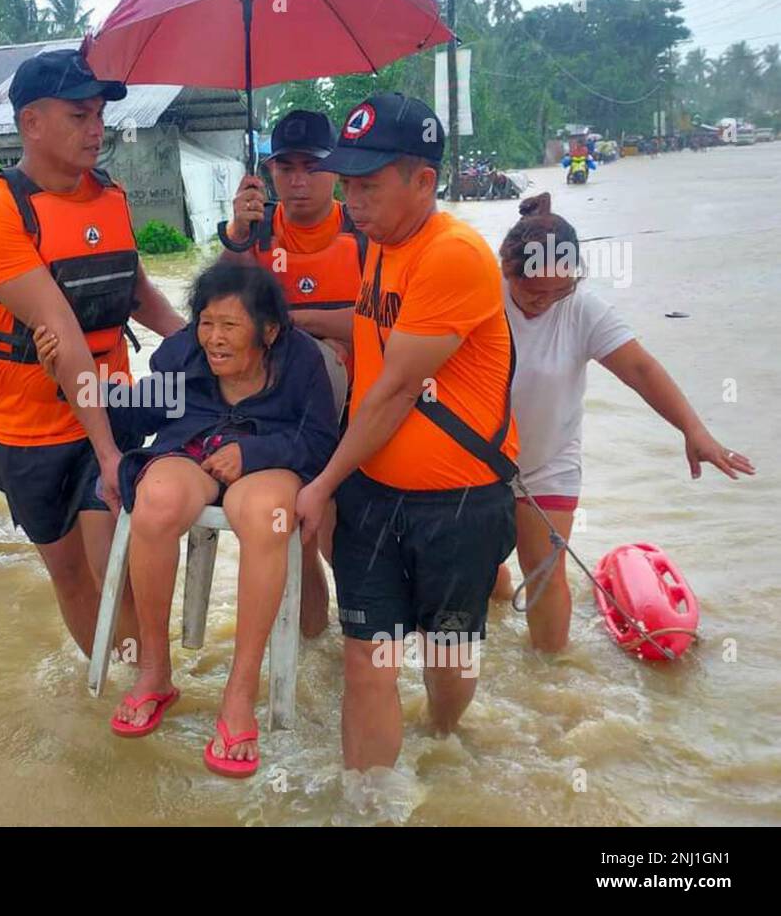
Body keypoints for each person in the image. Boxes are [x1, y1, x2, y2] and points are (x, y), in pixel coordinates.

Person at [34, 262, 338, 777]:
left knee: (266, 514)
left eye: (230, 326)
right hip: (192, 451)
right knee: (155, 499)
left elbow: (319, 441)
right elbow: (133, 415)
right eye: (206, 322)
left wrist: (255, 451)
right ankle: (155, 671)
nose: (214, 339)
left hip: (269, 463)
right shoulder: (184, 357)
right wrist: (64, 379)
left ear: (268, 331)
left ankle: (239, 696)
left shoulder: (302, 362)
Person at [296, 93, 518, 771]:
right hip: (373, 495)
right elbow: (368, 329)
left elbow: (394, 390)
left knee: (446, 660)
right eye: (348, 184)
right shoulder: (383, 248)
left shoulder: (453, 255)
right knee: (369, 660)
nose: (352, 201)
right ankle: (366, 809)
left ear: (423, 180)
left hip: (457, 507)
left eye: (369, 185)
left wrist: (322, 483)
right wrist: (279, 317)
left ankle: (443, 744)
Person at [0, 49, 186, 656]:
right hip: (28, 430)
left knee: (117, 561)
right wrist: (108, 450)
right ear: (31, 123)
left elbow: (139, 295)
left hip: (108, 413)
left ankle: (148, 683)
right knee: (69, 574)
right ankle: (106, 686)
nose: (97, 129)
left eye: (100, 115)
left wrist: (206, 347)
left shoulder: (110, 197)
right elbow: (56, 327)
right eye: (79, 115)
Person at [490, 193, 755, 651]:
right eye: (533, 292)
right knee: (477, 571)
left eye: (561, 291)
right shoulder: (479, 295)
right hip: (479, 463)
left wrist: (694, 430)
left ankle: (550, 678)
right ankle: (493, 601)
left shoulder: (583, 310)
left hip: (549, 463)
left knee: (546, 574)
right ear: (507, 271)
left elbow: (641, 369)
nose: (546, 302)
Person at [222, 109, 364, 639]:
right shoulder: (255, 235)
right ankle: (314, 650)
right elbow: (220, 317)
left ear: (337, 169)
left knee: (344, 539)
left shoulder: (365, 229)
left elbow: (391, 319)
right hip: (280, 415)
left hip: (359, 411)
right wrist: (237, 232)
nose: (299, 181)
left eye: (312, 166)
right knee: (299, 538)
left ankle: (360, 639)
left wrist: (294, 321)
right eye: (286, 168)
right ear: (270, 172)